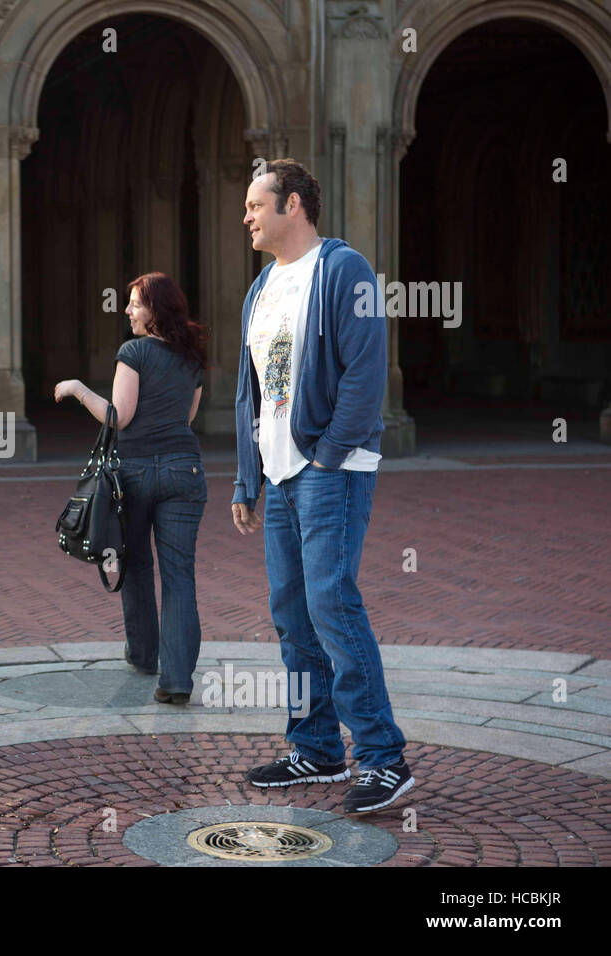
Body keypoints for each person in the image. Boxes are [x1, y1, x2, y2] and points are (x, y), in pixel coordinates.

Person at [232, 158, 413, 813]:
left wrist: (330, 456)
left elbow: (366, 374)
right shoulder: (261, 287)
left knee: (333, 604)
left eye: (256, 204)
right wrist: (247, 478)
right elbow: (249, 390)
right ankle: (316, 750)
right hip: (278, 477)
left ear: (295, 207)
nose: (246, 216)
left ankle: (383, 758)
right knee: (292, 615)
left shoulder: (344, 270)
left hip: (328, 472)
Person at [54, 273, 207, 704]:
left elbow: (118, 417)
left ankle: (143, 654)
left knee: (137, 564)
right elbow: (187, 418)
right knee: (180, 576)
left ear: (155, 310)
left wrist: (78, 389)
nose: (127, 311)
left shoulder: (134, 352)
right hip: (184, 471)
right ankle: (177, 680)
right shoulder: (193, 356)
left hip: (136, 474)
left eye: (135, 304)